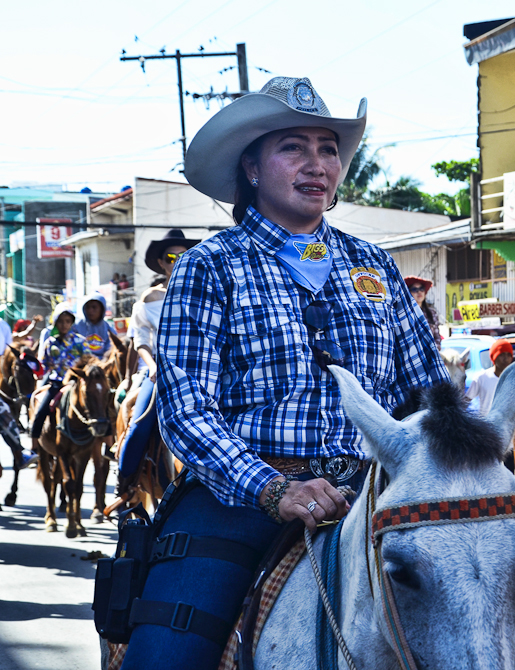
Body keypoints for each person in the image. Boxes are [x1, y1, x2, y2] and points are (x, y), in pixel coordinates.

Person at [119, 76, 449, 670]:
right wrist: (274, 490)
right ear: (250, 167)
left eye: (328, 148)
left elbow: (425, 393)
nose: (317, 164)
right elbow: (187, 411)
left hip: (366, 491)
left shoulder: (372, 264)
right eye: (292, 147)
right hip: (239, 499)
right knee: (164, 655)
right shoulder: (209, 267)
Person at [115, 230, 201, 476]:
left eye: (183, 256)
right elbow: (141, 341)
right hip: (159, 373)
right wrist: (153, 366)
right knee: (140, 425)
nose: (177, 261)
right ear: (162, 263)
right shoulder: (150, 298)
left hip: (198, 372)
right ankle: (124, 481)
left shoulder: (204, 292)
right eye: (171, 257)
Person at [26, 303, 87, 463]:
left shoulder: (80, 342)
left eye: (67, 321)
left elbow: (88, 363)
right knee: (40, 411)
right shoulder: (50, 343)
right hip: (56, 384)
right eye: (61, 321)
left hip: (76, 383)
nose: (64, 324)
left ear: (72, 322)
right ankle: (34, 448)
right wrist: (37, 369)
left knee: (99, 408)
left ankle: (107, 445)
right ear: (55, 323)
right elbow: (43, 365)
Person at [466, 339, 515, 415]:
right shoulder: (481, 378)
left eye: (508, 355)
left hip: (507, 425)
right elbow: (466, 401)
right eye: (502, 355)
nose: (506, 359)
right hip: (486, 425)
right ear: (494, 357)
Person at [71, 293, 117, 358]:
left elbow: (111, 349)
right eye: (88, 307)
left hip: (102, 363)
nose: (90, 310)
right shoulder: (77, 326)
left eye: (94, 307)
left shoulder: (108, 329)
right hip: (80, 362)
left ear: (102, 309)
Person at [404, 275, 442, 349]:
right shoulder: (404, 314)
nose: (419, 292)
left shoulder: (432, 313)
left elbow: (437, 337)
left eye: (421, 289)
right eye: (414, 289)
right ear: (408, 293)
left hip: (431, 355)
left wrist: (434, 349)